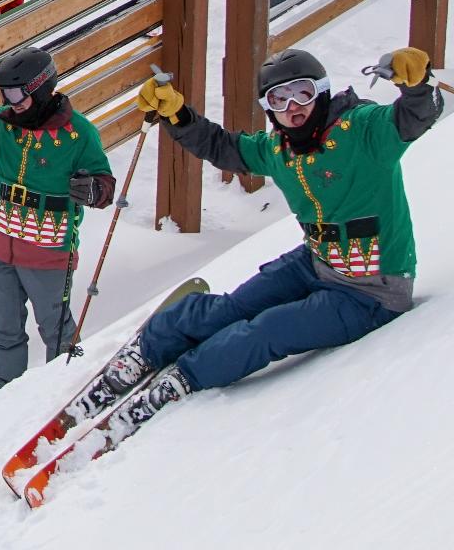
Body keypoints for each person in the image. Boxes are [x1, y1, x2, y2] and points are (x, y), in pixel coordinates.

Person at [104, 48, 440, 425]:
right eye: (279, 99)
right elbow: (223, 147)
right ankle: (150, 347)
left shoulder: (363, 130)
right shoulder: (278, 149)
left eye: (303, 93)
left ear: (323, 92)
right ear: (268, 107)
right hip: (317, 263)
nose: (293, 106)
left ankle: (188, 374)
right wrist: (178, 116)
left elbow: (411, 119)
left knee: (265, 331)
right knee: (235, 307)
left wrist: (418, 87)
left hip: (371, 293)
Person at [0, 47, 116, 389]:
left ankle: (62, 389)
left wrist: (93, 190)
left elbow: (105, 184)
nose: (10, 101)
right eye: (5, 93)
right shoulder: (6, 122)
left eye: (16, 93)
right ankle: (2, 393)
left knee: (55, 326)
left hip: (48, 250)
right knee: (3, 325)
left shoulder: (78, 134)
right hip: (1, 245)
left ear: (41, 87)